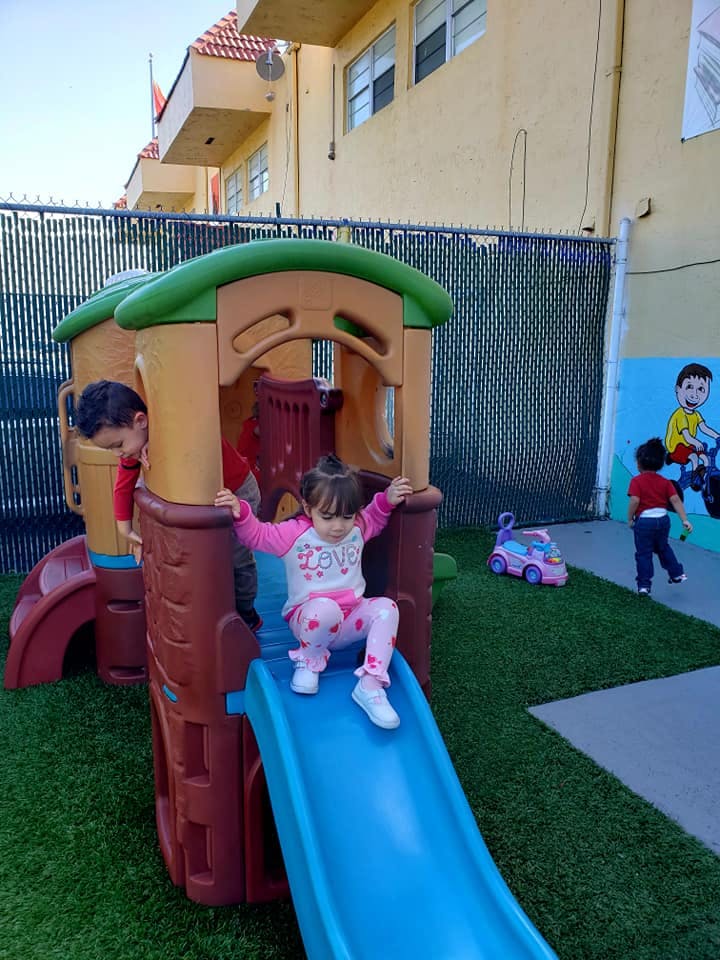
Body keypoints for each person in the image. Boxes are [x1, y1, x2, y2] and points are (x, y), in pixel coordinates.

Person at [214, 454, 413, 730]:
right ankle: (308, 662)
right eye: (327, 516)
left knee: (387, 608)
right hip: (310, 621)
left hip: (350, 620)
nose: (338, 526)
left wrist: (388, 498)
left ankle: (370, 683)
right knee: (325, 610)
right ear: (308, 508)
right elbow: (256, 536)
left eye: (347, 516)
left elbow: (375, 517)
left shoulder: (357, 528)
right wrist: (241, 511)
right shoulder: (294, 534)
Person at [75, 379, 263, 631]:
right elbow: (123, 485)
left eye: (118, 445)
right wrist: (125, 529)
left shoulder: (177, 423)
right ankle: (218, 609)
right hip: (206, 500)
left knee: (237, 556)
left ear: (141, 421)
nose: (118, 454)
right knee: (210, 557)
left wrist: (161, 443)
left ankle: (246, 611)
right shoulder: (135, 446)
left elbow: (192, 428)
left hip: (238, 492)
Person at [627, 437, 693, 596]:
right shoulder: (665, 482)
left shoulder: (636, 481)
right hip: (663, 521)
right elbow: (676, 500)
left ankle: (644, 585)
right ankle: (677, 573)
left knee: (644, 553)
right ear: (660, 464)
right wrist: (684, 520)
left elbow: (635, 500)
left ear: (639, 463)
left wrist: (630, 518)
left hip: (644, 522)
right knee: (663, 547)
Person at [665, 363, 719, 488]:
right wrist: (697, 443)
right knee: (694, 457)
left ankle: (703, 479)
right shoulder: (680, 415)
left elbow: (704, 428)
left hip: (689, 445)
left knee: (706, 459)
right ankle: (695, 480)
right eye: (689, 387)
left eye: (701, 389)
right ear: (678, 389)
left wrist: (717, 436)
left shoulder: (696, 415)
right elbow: (687, 436)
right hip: (677, 446)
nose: (694, 395)